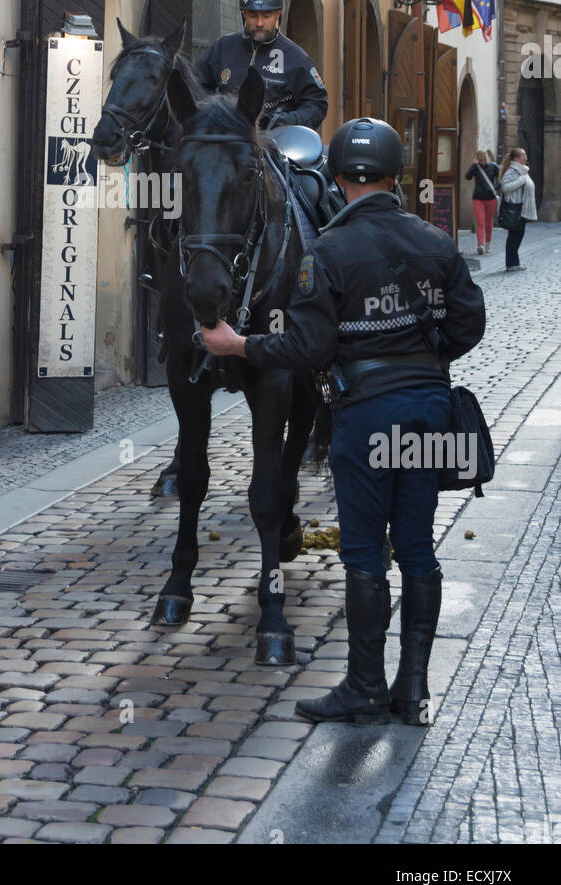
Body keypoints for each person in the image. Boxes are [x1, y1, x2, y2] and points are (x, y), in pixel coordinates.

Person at [201, 116, 486, 726]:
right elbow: (469, 325)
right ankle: (413, 691)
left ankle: (363, 687)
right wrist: (421, 354)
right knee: (416, 549)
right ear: (395, 174)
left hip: (365, 415)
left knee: (362, 553)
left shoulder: (326, 251)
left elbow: (303, 348)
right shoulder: (436, 243)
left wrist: (239, 347)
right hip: (430, 414)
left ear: (334, 177)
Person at [195, 0, 328, 131]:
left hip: (275, 141)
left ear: (278, 14)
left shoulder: (296, 58)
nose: (259, 23)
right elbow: (195, 86)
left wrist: (288, 121)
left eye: (266, 16)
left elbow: (317, 101)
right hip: (225, 139)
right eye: (253, 15)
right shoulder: (221, 48)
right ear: (244, 14)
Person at [499, 147, 538, 272]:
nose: (525, 158)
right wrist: (521, 181)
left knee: (517, 236)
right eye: (523, 156)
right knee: (514, 237)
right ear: (516, 158)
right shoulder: (513, 171)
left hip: (521, 208)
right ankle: (511, 264)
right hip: (514, 208)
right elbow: (504, 187)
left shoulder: (521, 171)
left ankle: (514, 263)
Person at [464, 149, 499, 255]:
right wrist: (473, 165)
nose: (483, 161)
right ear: (477, 159)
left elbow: (499, 180)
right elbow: (467, 177)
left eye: (484, 159)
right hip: (478, 198)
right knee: (480, 222)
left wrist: (494, 187)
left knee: (489, 223)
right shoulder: (475, 167)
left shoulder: (493, 167)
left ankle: (488, 243)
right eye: (481, 159)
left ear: (486, 157)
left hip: (491, 198)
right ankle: (480, 245)